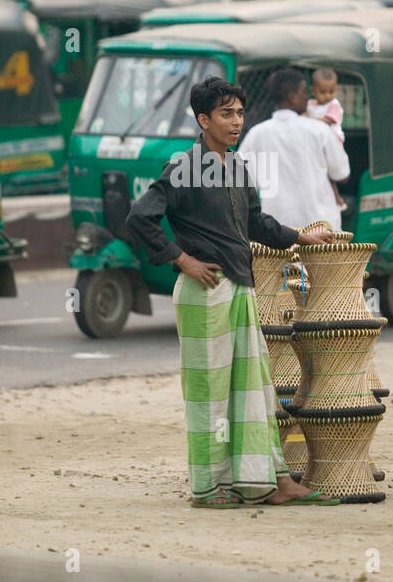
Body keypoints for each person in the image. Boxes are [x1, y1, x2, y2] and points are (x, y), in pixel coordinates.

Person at [126, 76, 338, 508]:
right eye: (226, 113)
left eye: (240, 112)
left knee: (252, 392)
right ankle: (209, 487)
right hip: (204, 294)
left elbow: (257, 223)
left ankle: (268, 481)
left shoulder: (238, 167)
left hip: (241, 290)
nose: (236, 121)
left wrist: (301, 237)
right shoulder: (183, 167)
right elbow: (140, 218)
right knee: (211, 395)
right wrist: (180, 260)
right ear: (204, 120)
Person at [237, 68, 350, 231]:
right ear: (292, 97)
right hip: (321, 232)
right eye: (304, 92)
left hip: (277, 232)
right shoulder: (320, 130)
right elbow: (342, 174)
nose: (308, 97)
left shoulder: (257, 134)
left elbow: (240, 181)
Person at [305, 67, 346, 211]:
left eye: (332, 91)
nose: (328, 95)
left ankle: (337, 199)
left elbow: (328, 121)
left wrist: (310, 119)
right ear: (314, 91)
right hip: (316, 144)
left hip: (333, 143)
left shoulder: (334, 105)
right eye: (323, 92)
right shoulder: (310, 104)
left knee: (330, 175)